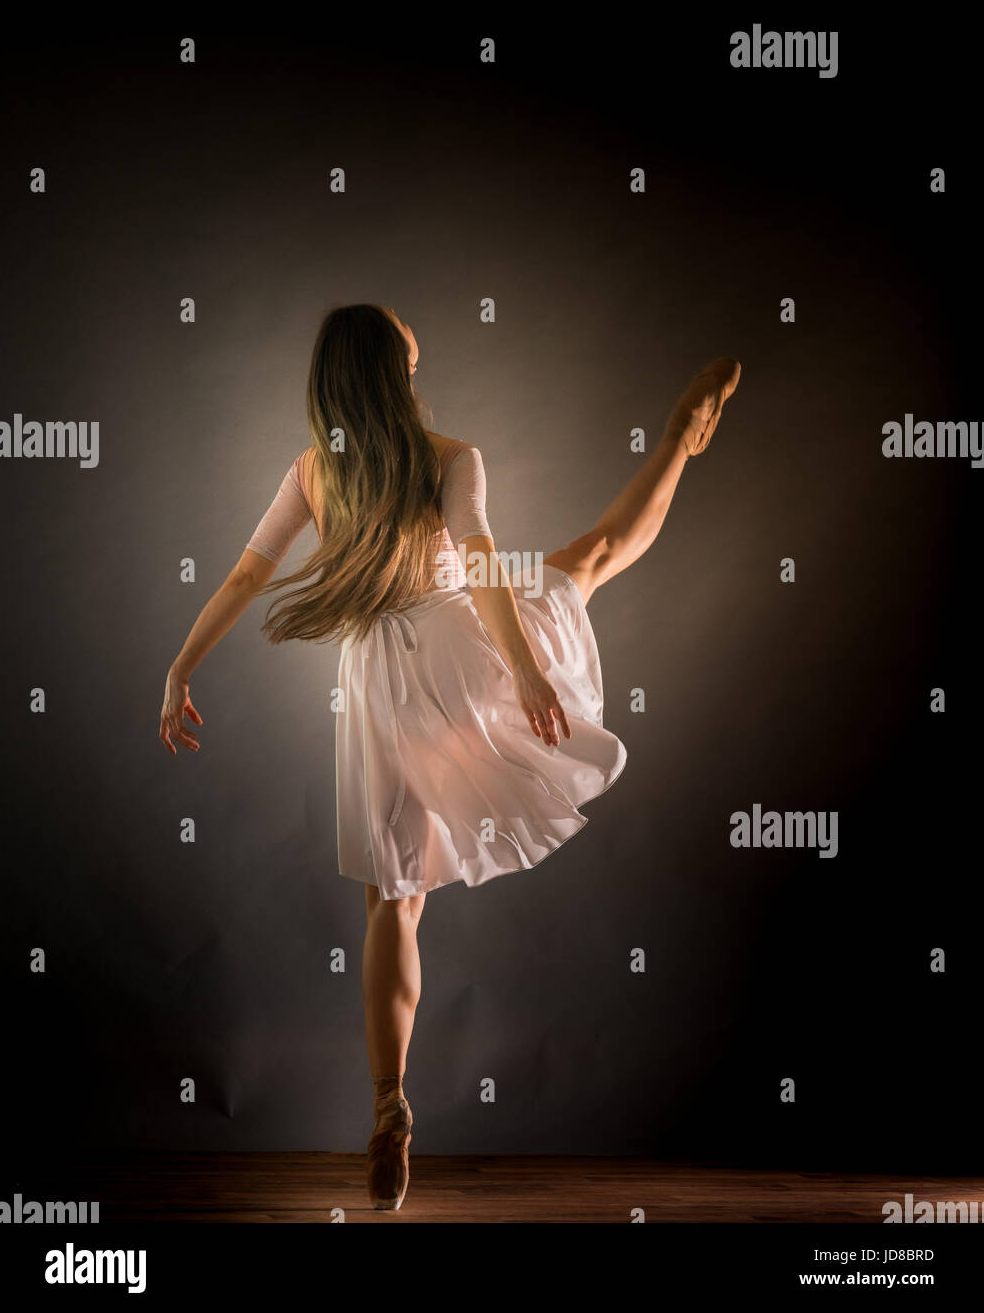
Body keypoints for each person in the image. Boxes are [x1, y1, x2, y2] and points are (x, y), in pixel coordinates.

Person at [159, 303, 739, 1211]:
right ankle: (676, 441)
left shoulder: (313, 471)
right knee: (589, 559)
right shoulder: (450, 456)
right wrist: (527, 674)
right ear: (395, 362)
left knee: (393, 901)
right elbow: (476, 562)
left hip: (378, 689)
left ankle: (389, 1105)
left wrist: (178, 670)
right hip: (459, 655)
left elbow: (243, 576)